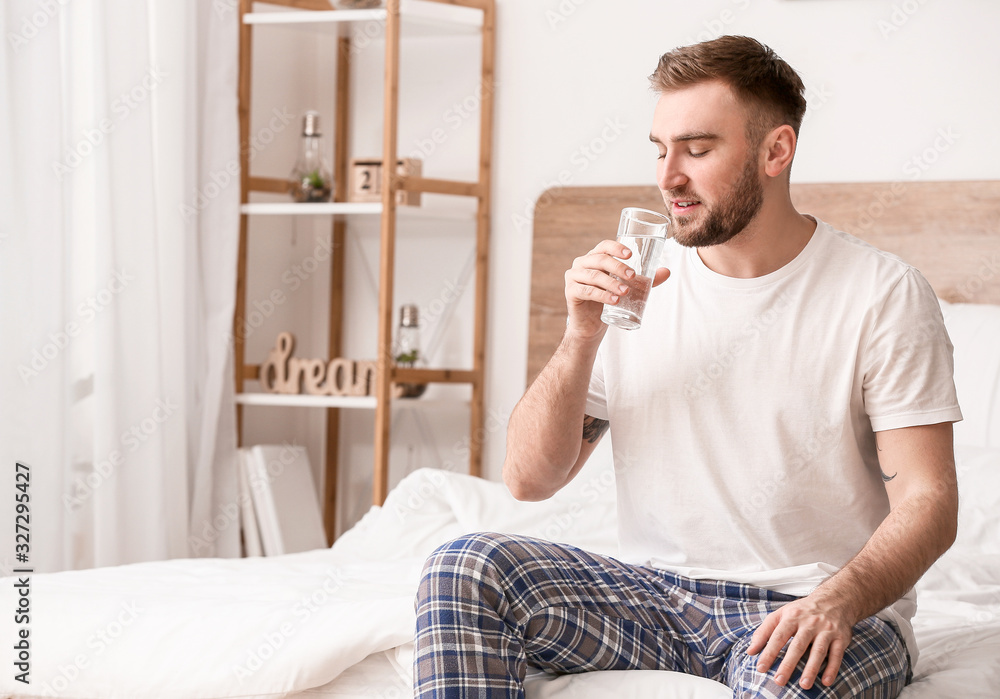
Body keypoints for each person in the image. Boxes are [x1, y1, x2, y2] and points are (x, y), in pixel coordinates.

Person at [413, 35, 961, 698]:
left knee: (782, 682)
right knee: (464, 566)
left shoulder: (880, 292)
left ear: (775, 151)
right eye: (660, 149)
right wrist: (580, 334)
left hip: (808, 602)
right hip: (654, 597)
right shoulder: (638, 287)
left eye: (697, 150)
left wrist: (839, 600)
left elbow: (929, 501)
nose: (668, 175)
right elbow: (528, 480)